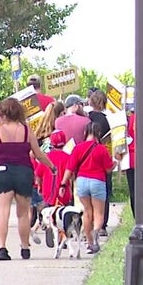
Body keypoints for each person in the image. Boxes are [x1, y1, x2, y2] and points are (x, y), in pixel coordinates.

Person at [0, 97, 56, 261]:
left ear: (3, 114)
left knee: (3, 212)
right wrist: (52, 166)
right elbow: (38, 154)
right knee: (23, 214)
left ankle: (2, 248)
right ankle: (24, 248)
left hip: (3, 174)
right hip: (24, 173)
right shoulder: (27, 131)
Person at [58, 121, 115, 254]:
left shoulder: (78, 148)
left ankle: (89, 242)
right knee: (98, 213)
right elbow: (108, 169)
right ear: (99, 133)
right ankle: (95, 239)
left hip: (82, 182)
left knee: (87, 212)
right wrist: (115, 162)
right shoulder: (102, 149)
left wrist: (62, 184)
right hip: (97, 182)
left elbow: (70, 168)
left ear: (85, 133)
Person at [87, 89, 114, 237]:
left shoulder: (87, 117)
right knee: (105, 191)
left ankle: (90, 222)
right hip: (103, 155)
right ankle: (102, 225)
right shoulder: (107, 120)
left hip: (87, 157)